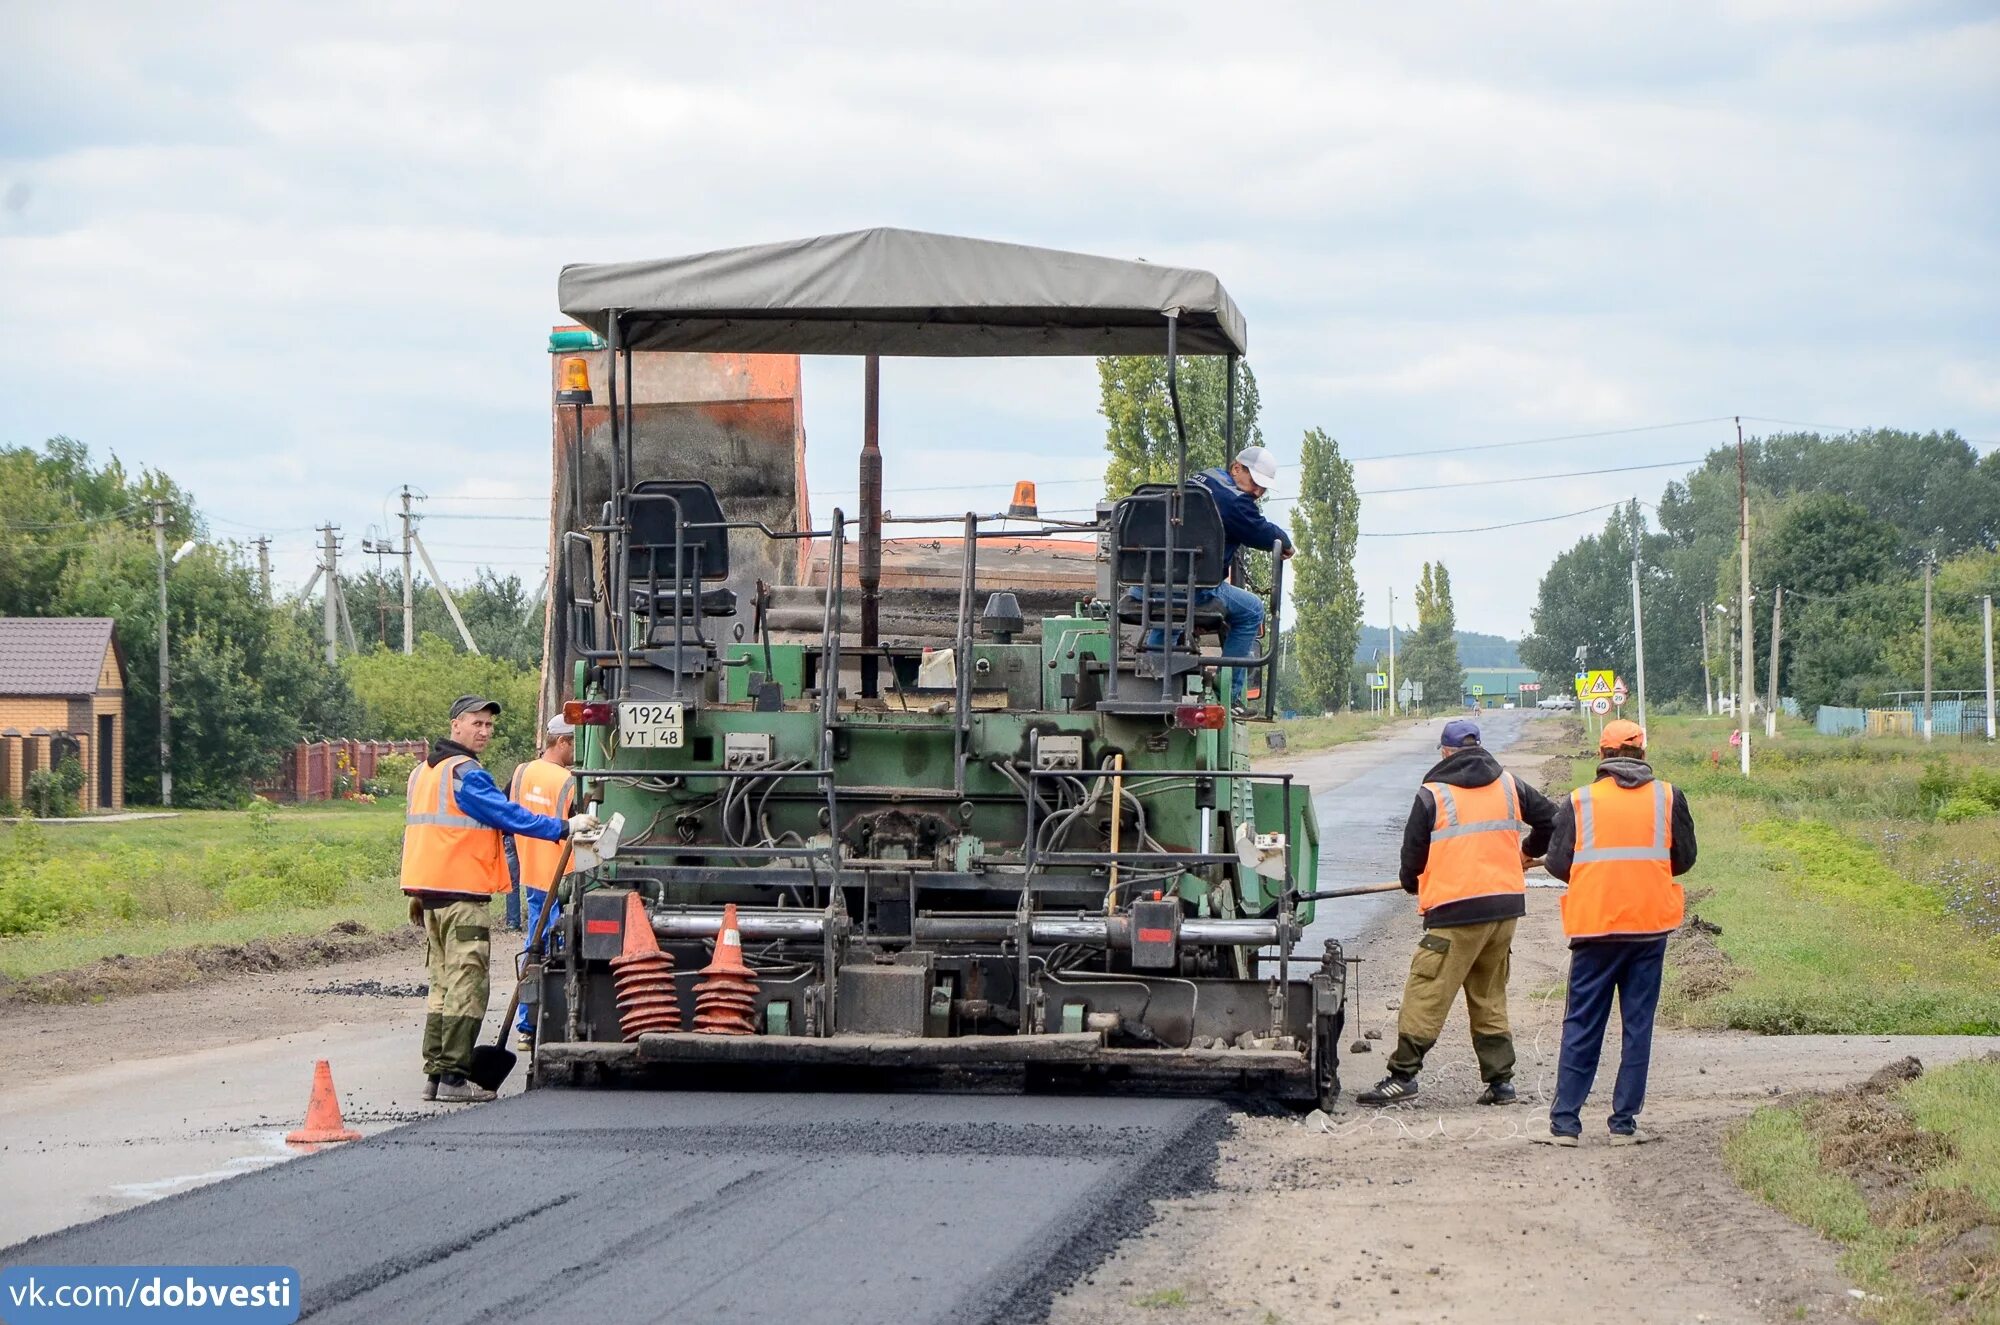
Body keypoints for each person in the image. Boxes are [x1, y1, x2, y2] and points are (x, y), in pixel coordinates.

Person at [401, 695, 595, 1103]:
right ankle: (455, 1078)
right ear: (456, 724)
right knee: (468, 985)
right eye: (477, 724)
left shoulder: (423, 771)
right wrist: (565, 825)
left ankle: (436, 1074)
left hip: (430, 894)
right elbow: (509, 815)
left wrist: (417, 890)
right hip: (461, 893)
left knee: (441, 985)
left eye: (489, 726)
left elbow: (421, 832)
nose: (484, 732)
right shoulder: (466, 774)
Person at [1357, 717, 1557, 1107]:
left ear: (1446, 752)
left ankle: (1402, 1076)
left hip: (1456, 911)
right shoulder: (1509, 783)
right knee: (1488, 995)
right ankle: (1502, 1083)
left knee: (1427, 990)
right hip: (1504, 911)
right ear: (1479, 747)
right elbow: (1552, 818)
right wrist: (1528, 852)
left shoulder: (1432, 793)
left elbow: (1412, 855)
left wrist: (1413, 882)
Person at [1534, 719, 1696, 1146]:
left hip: (1595, 928)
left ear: (1602, 756)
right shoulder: (1667, 797)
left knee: (1583, 1024)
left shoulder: (1580, 801)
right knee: (1637, 1026)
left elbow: (1555, 863)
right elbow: (1684, 858)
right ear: (1642, 754)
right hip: (1648, 928)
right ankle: (1623, 1125)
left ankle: (1565, 1124)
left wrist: (1594, 876)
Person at [1187, 446, 1294, 713]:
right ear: (1237, 469)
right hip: (1196, 588)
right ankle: (1232, 696)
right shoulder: (1236, 502)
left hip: (1148, 586)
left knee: (1161, 616)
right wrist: (1286, 542)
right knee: (1252, 609)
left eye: (1263, 489)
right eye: (1256, 483)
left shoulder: (1202, 478)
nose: (1257, 493)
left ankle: (1154, 678)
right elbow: (1263, 533)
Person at [506, 714, 576, 1052]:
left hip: (531, 872)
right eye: (574, 744)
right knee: (556, 948)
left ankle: (528, 1024)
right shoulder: (570, 781)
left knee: (535, 944)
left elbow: (509, 819)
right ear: (561, 742)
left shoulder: (520, 772)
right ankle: (549, 1019)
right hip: (563, 878)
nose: (576, 751)